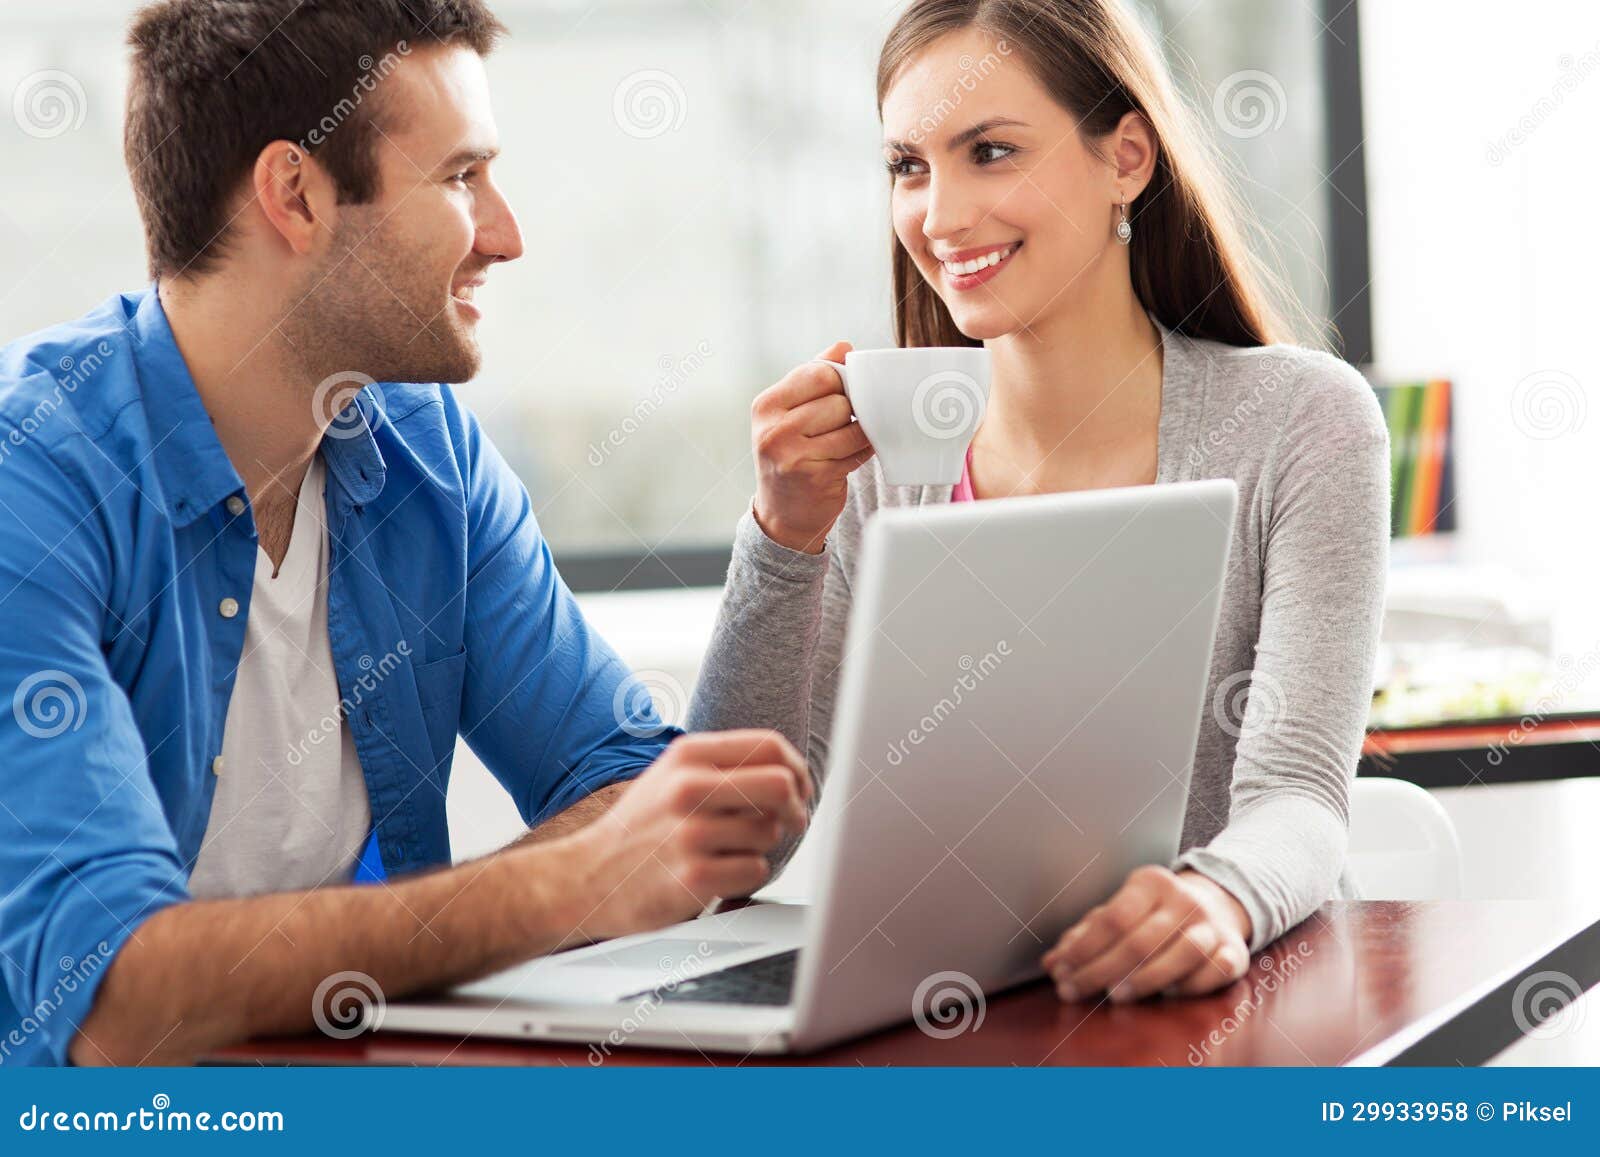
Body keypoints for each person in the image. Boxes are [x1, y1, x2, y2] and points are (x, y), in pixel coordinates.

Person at [0, 0, 807, 1067]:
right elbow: (108, 999)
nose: (508, 235)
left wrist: (635, 848)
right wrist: (565, 881)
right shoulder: (35, 483)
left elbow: (628, 778)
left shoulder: (427, 452)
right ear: (295, 195)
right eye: (463, 177)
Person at [690, 0, 1389, 1004]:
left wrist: (1217, 899)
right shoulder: (876, 463)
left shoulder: (1301, 423)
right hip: (963, 1017)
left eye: (991, 151)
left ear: (1127, 160)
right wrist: (781, 536)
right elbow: (733, 842)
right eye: (909, 166)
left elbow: (1300, 798)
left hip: (1230, 1013)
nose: (939, 215)